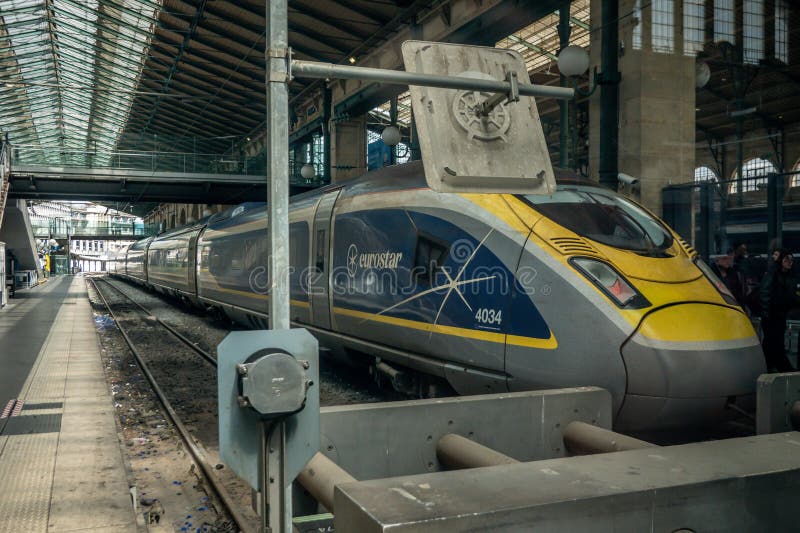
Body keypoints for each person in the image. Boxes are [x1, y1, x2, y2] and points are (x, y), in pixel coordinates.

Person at [760, 248, 799, 372]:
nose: (789, 262)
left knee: (772, 342)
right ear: (781, 260)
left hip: (780, 314)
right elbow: (764, 292)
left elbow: (791, 296)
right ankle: (780, 366)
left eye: (791, 260)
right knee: (773, 342)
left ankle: (769, 366)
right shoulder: (773, 273)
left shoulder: (789, 276)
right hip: (771, 315)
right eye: (787, 259)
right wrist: (766, 313)